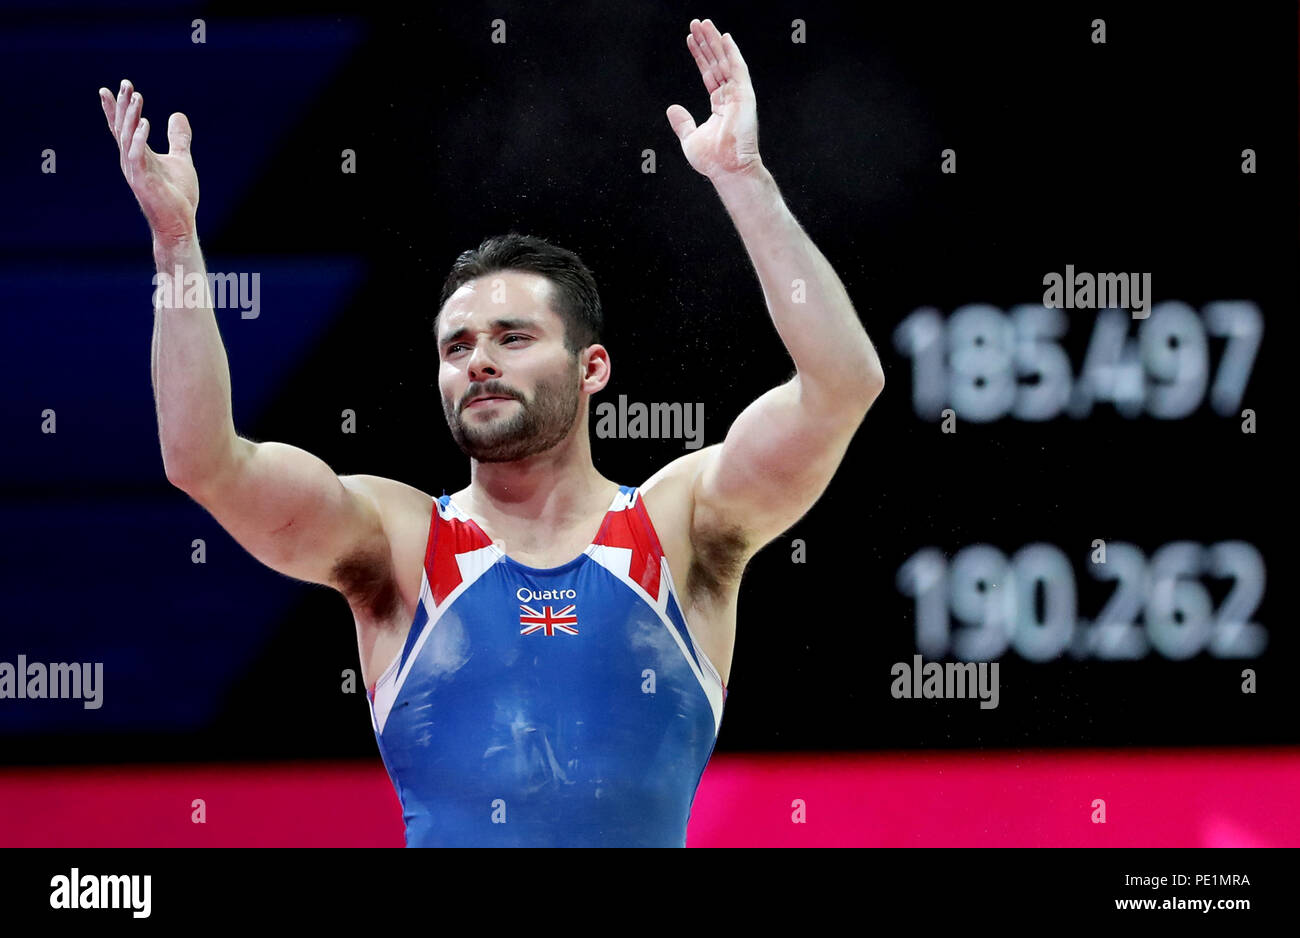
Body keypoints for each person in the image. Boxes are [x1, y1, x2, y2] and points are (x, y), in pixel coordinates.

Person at [98, 17, 884, 846]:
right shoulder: (398, 546)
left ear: (592, 368)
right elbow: (203, 462)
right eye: (457, 347)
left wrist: (744, 178)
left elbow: (842, 385)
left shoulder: (681, 527)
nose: (478, 362)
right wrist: (177, 248)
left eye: (513, 338)